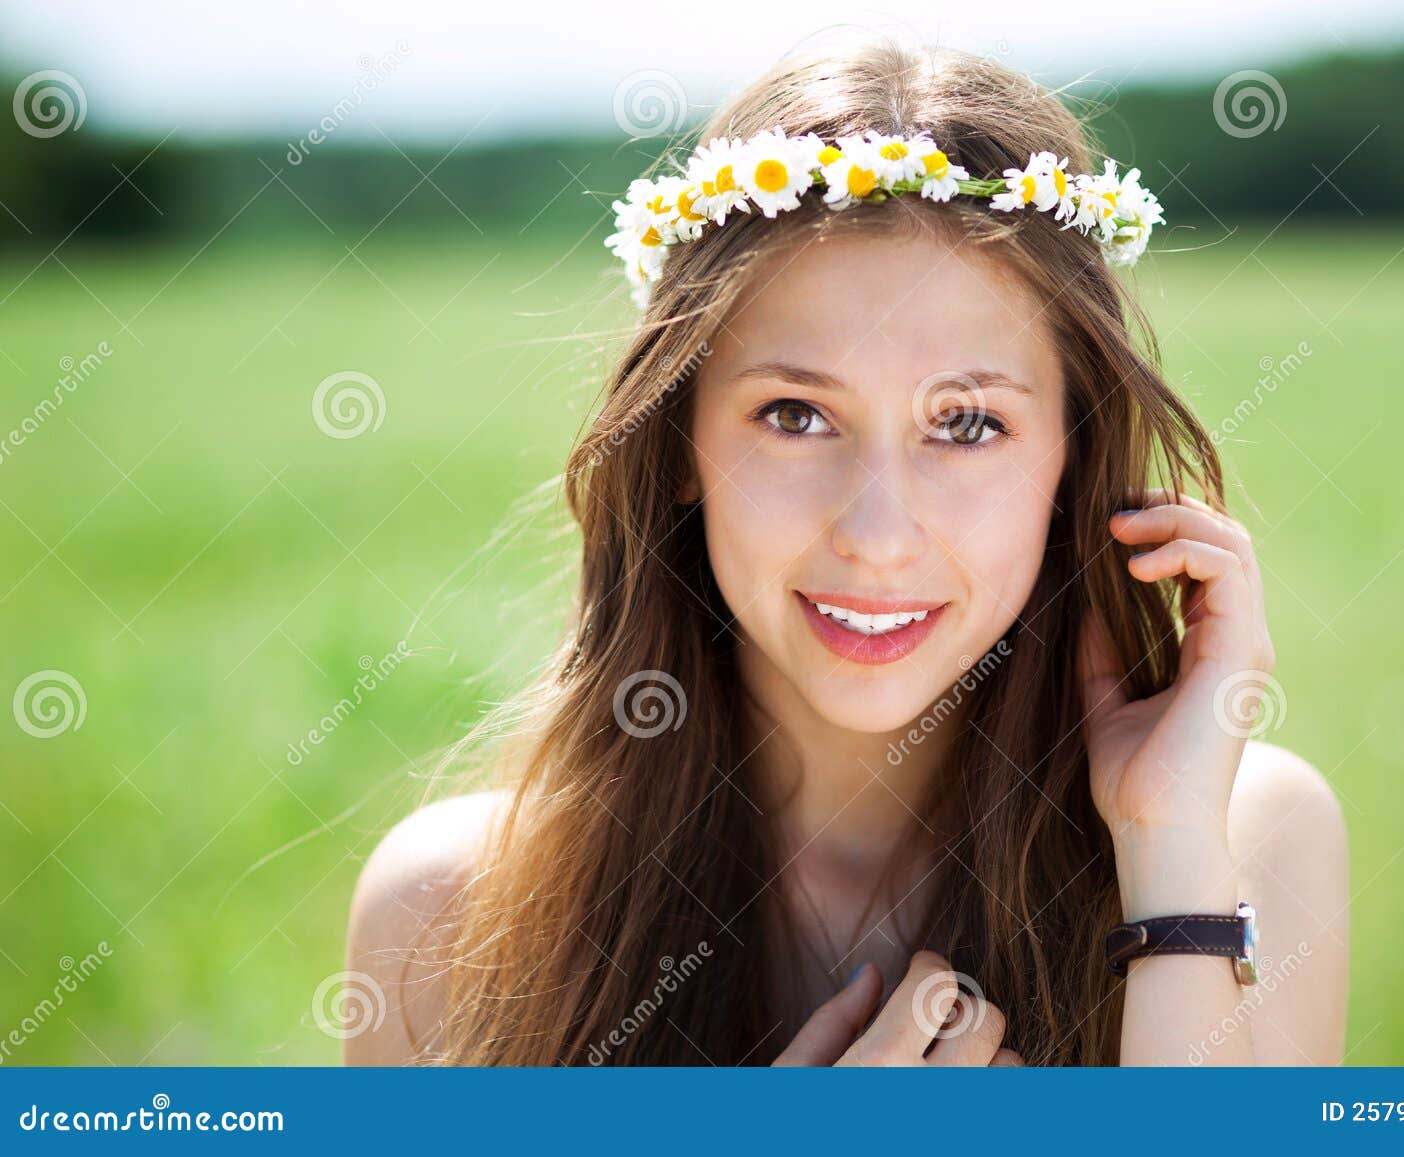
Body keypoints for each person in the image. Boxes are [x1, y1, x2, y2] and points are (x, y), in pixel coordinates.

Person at [345, 35, 1348, 1067]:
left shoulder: (1241, 837)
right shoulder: (447, 915)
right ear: (679, 438)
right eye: (794, 413)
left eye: (965, 424)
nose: (874, 536)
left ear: (1071, 454)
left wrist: (1169, 853)